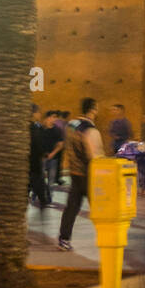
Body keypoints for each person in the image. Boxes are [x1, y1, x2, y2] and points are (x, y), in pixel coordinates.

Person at [58, 98, 103, 251]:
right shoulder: (90, 130)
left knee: (71, 207)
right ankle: (106, 238)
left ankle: (64, 239)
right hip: (89, 175)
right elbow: (95, 156)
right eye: (96, 108)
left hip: (74, 173)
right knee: (100, 208)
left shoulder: (70, 125)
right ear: (92, 109)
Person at [28, 105, 54, 214]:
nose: (39, 115)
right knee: (38, 183)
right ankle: (43, 201)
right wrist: (44, 153)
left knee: (34, 183)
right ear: (33, 113)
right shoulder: (34, 128)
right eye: (38, 112)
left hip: (30, 163)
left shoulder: (32, 127)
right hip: (34, 163)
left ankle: (43, 200)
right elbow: (38, 145)